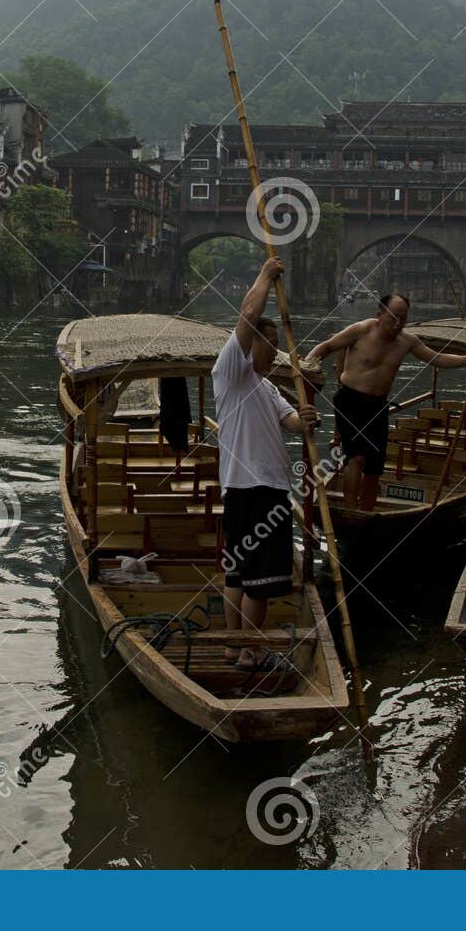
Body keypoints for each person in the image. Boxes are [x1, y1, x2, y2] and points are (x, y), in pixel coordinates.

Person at [213, 256, 319, 672]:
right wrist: (264, 273)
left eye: (277, 345)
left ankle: (234, 646)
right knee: (256, 578)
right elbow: (248, 312)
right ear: (250, 342)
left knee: (239, 576)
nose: (273, 351)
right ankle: (249, 650)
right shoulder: (231, 372)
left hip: (262, 488)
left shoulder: (268, 386)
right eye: (267, 343)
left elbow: (289, 422)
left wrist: (304, 418)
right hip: (254, 490)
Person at [308, 293, 466, 509]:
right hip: (350, 401)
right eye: (394, 317)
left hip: (378, 406)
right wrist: (308, 364)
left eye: (403, 318)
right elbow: (326, 346)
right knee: (356, 458)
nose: (398, 323)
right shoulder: (362, 329)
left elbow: (437, 358)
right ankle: (350, 510)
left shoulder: (407, 341)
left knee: (375, 466)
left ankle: (366, 512)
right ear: (380, 314)